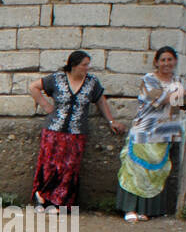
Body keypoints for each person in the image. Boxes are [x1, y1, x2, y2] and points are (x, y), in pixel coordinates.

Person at [28, 50, 123, 211]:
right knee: (49, 164)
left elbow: (100, 101)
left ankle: (59, 202)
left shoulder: (92, 82)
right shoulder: (57, 79)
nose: (87, 68)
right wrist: (46, 106)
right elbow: (33, 87)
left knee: (69, 167)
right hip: (54, 130)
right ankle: (42, 198)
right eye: (84, 65)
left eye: (88, 65)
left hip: (76, 133)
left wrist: (111, 121)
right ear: (74, 65)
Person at [116, 46, 186, 222]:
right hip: (145, 129)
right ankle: (130, 208)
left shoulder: (177, 80)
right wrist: (178, 92)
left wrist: (180, 94)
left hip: (166, 130)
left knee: (157, 171)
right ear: (156, 62)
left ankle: (146, 209)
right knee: (136, 169)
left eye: (170, 59)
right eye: (163, 60)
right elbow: (158, 100)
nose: (166, 63)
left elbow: (183, 104)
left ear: (175, 61)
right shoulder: (149, 79)